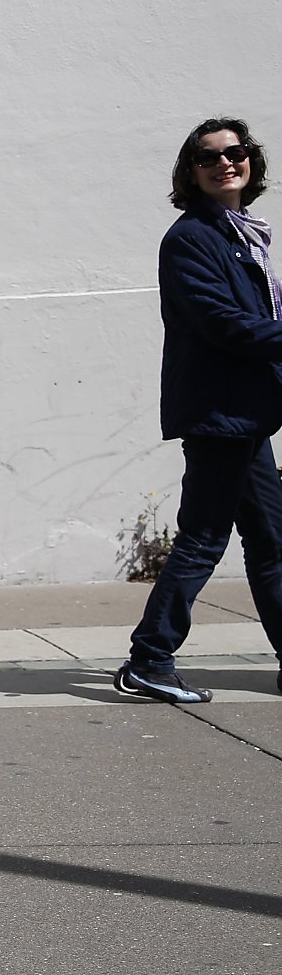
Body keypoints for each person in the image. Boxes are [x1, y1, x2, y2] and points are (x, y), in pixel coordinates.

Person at [120, 117, 282, 703]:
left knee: (271, 538)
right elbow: (221, 323)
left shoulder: (241, 233)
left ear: (250, 162)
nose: (224, 163)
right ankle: (149, 659)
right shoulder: (192, 238)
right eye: (208, 157)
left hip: (247, 414)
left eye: (234, 153)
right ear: (192, 172)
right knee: (204, 537)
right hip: (220, 414)